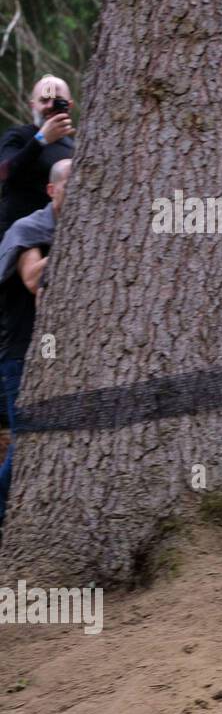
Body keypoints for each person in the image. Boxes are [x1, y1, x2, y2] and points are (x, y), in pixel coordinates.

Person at [0, 158, 70, 524]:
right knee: (27, 443)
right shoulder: (29, 228)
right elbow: (32, 280)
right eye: (71, 183)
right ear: (51, 189)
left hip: (61, 354)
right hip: (20, 354)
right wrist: (74, 242)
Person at [0, 76, 76, 241]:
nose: (50, 106)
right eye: (44, 100)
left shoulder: (73, 148)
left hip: (58, 241)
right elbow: (3, 172)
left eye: (57, 101)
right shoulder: (19, 136)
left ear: (69, 106)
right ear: (33, 105)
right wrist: (41, 140)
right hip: (18, 240)